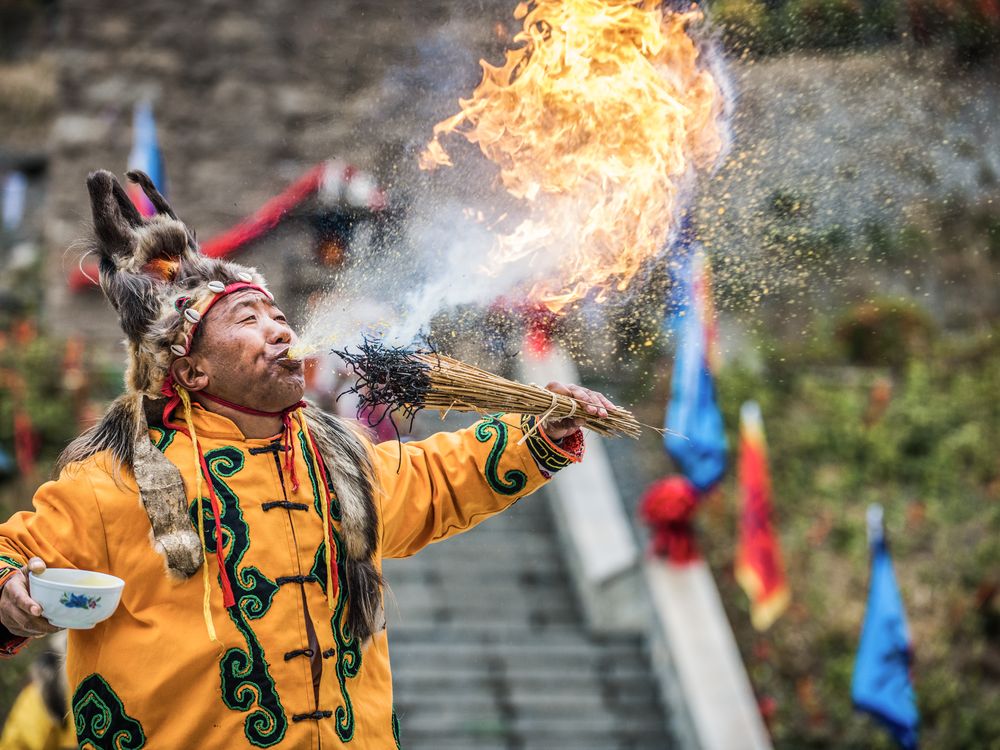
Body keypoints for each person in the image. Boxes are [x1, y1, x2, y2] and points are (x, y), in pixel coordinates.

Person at [0, 171, 612, 749]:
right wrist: (9, 591)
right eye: (249, 318)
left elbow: (434, 476)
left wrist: (539, 433)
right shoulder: (115, 479)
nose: (279, 330)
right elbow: (17, 551)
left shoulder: (338, 461)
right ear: (189, 368)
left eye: (279, 316)